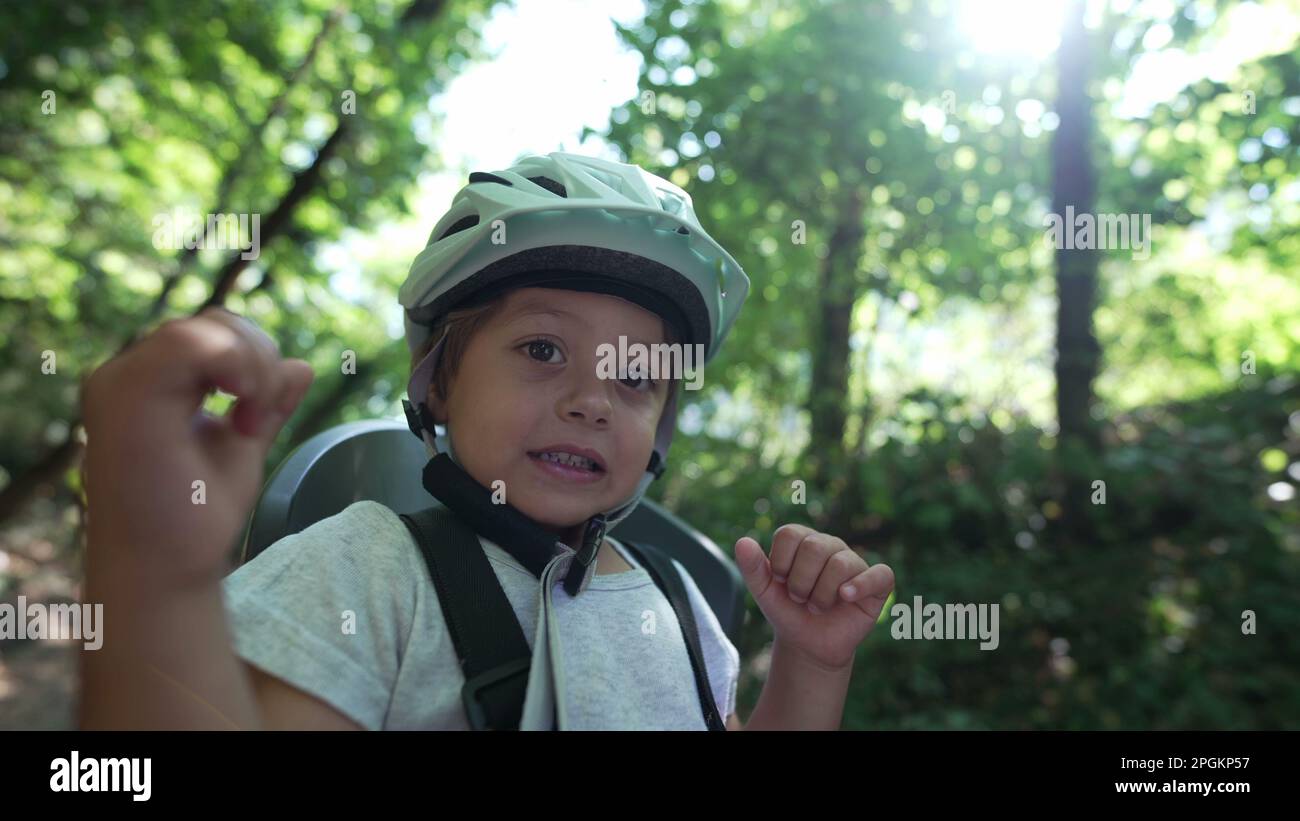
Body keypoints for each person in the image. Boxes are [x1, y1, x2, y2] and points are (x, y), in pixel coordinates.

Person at [78, 151, 895, 730]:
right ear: (438, 380)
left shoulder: (681, 605)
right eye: (542, 350)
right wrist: (153, 572)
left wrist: (811, 663)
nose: (591, 401)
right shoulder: (365, 570)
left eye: (637, 376)